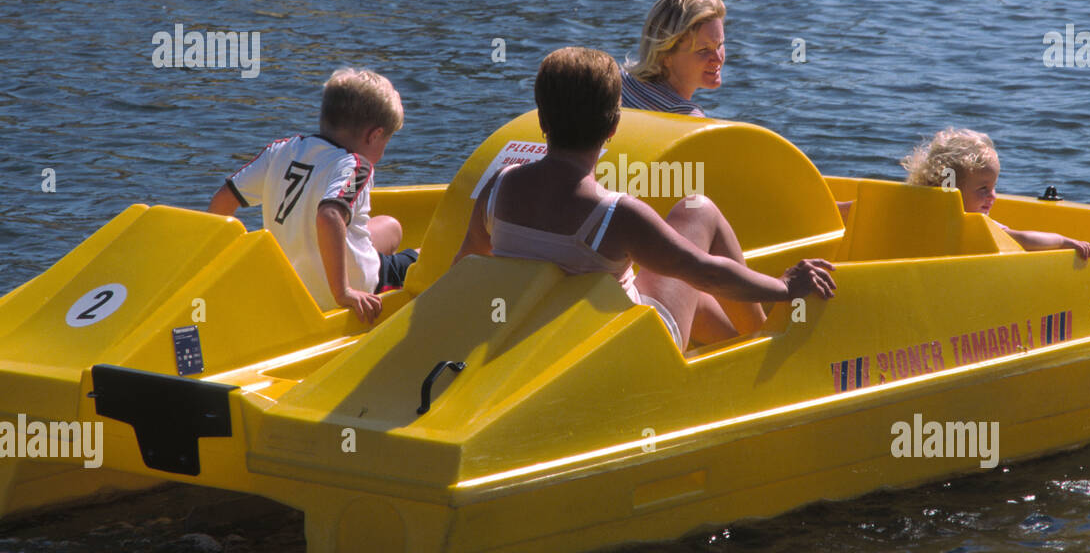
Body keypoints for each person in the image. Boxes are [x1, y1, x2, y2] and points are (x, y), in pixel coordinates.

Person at [456, 47, 835, 350]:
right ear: (614, 126)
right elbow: (707, 272)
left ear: (542, 120)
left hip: (544, 342)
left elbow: (464, 269)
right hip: (624, 348)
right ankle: (768, 349)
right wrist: (785, 287)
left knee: (680, 288)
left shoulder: (498, 188)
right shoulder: (614, 215)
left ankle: (738, 349)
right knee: (697, 212)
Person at [208, 68, 417, 322]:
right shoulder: (356, 166)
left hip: (292, 285)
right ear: (375, 135)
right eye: (387, 141)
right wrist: (343, 292)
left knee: (391, 227)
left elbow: (222, 201)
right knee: (429, 254)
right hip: (349, 289)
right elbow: (329, 215)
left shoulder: (280, 150)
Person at [900, 127, 1090, 260]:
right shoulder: (978, 224)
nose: (993, 196)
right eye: (983, 189)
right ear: (950, 189)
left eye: (993, 187)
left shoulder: (919, 212)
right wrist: (1063, 242)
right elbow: (1024, 240)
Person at [621, 0, 726, 116]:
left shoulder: (618, 82)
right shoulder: (685, 116)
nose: (718, 58)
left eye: (719, 45)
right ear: (665, 55)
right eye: (703, 50)